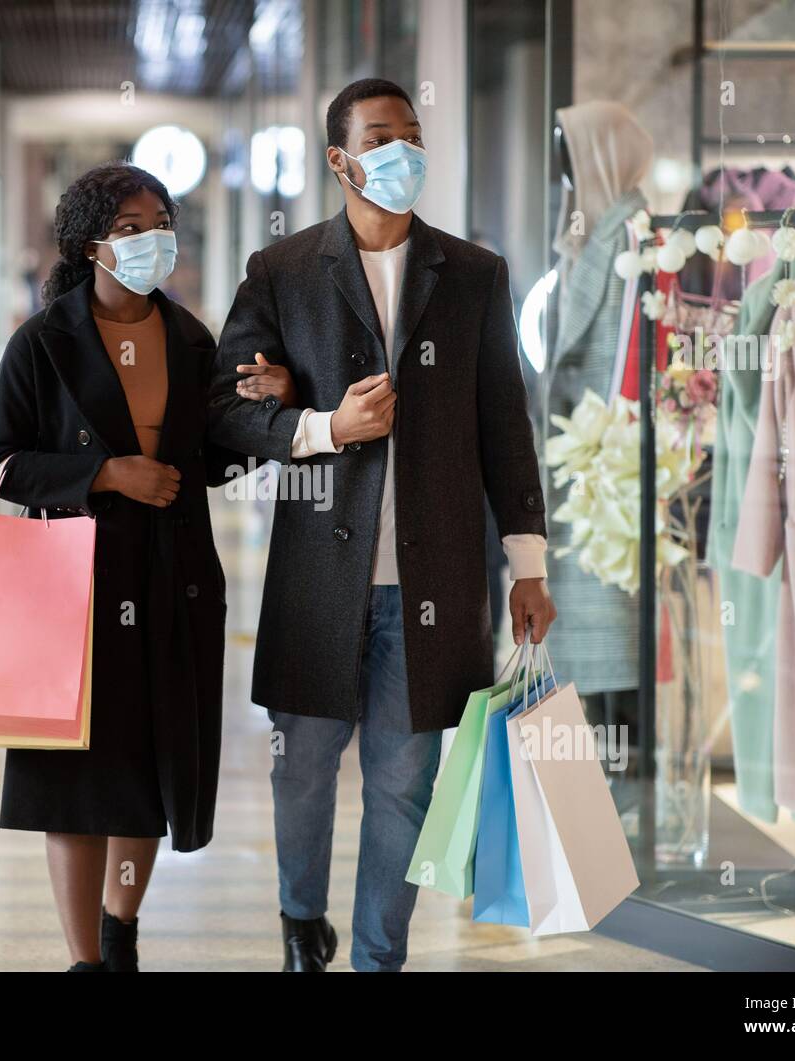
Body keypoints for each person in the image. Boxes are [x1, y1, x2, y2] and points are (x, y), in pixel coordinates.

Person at [209, 78, 557, 972]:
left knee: (404, 785)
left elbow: (504, 425)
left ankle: (377, 958)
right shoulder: (282, 272)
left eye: (411, 133)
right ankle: (299, 921)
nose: (402, 150)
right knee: (303, 769)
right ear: (340, 159)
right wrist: (325, 426)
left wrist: (528, 563)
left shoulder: (473, 274)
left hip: (435, 584)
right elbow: (228, 416)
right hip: (315, 581)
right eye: (380, 136)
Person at [0, 161, 238, 972]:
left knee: (150, 773)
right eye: (131, 227)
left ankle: (120, 933)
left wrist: (267, 405)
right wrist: (105, 473)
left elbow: (215, 461)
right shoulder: (43, 343)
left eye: (160, 222)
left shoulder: (194, 340)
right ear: (91, 244)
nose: (152, 238)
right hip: (74, 588)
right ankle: (86, 959)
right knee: (77, 781)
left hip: (174, 577)